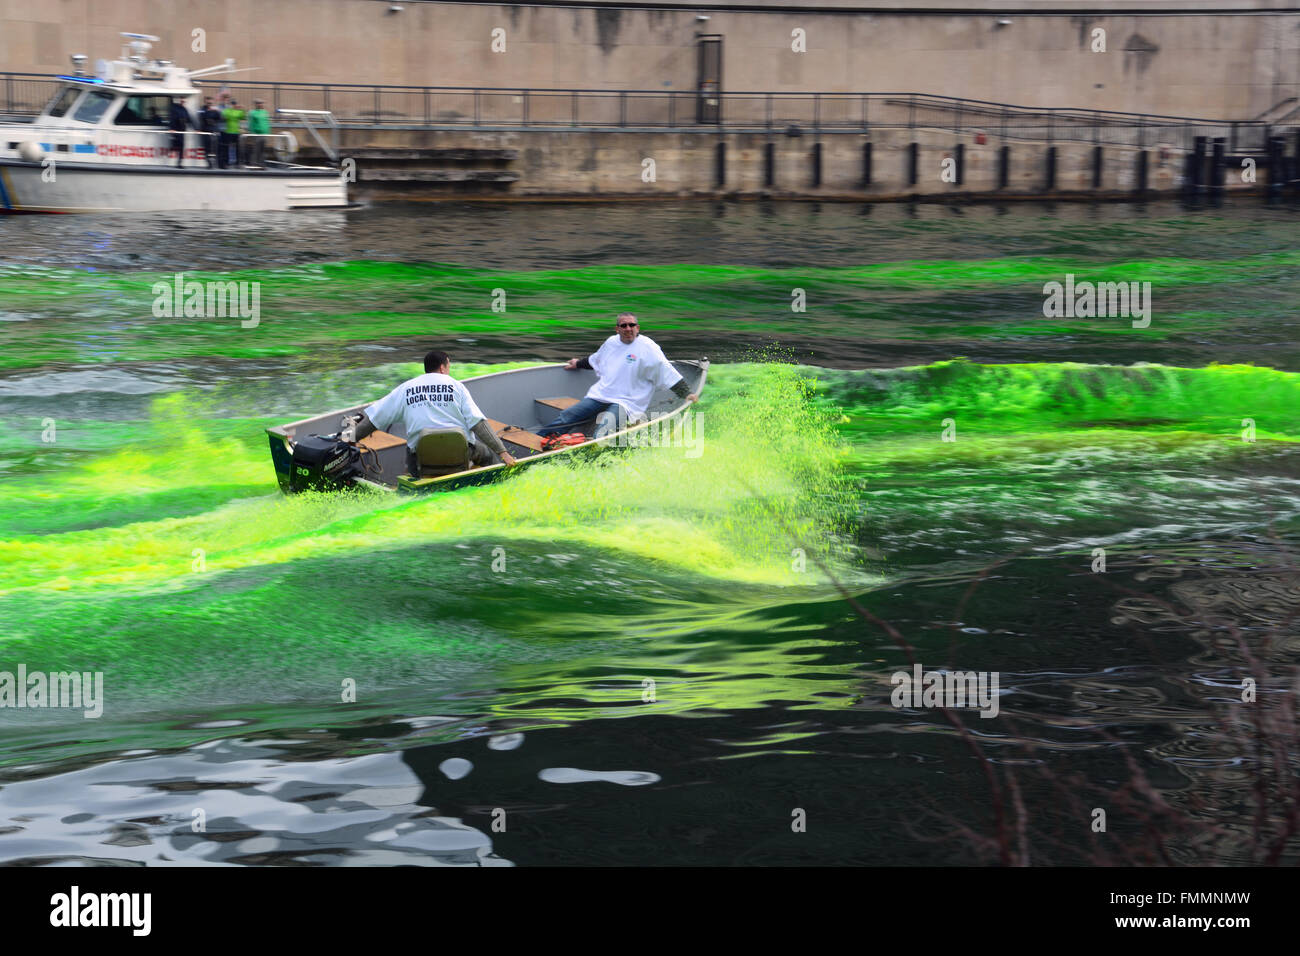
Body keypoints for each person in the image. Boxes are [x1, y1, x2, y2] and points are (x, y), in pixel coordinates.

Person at [351, 350, 517, 474]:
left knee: (410, 458)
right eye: (449, 366)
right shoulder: (456, 386)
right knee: (486, 454)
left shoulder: (406, 388)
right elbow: (478, 424)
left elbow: (373, 421)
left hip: (421, 455)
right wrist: (504, 453)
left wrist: (347, 440)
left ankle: (413, 484)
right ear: (443, 368)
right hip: (460, 452)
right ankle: (493, 482)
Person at [536, 312, 698, 438]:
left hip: (628, 401)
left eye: (632, 325)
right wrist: (578, 364)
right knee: (568, 416)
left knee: (605, 428)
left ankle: (591, 455)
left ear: (638, 328)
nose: (628, 328)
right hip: (604, 393)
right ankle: (538, 442)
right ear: (617, 329)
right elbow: (597, 360)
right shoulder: (611, 342)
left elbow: (665, 371)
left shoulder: (648, 348)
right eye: (624, 325)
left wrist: (687, 393)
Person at [167, 98, 195, 168]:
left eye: (184, 101)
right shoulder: (175, 109)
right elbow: (172, 119)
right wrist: (171, 129)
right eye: (182, 101)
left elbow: (189, 120)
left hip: (182, 131)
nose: (183, 103)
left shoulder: (185, 110)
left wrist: (195, 129)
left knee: (181, 147)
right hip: (176, 130)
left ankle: (179, 163)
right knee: (175, 145)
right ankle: (174, 160)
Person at [199, 96, 223, 168]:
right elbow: (200, 117)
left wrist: (217, 111)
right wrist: (208, 111)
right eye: (208, 102)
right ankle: (209, 163)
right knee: (207, 148)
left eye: (210, 102)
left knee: (216, 148)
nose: (209, 103)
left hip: (214, 131)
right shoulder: (202, 109)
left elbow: (220, 118)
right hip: (206, 131)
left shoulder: (215, 109)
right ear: (205, 102)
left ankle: (217, 163)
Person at [221, 98, 245, 168]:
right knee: (226, 148)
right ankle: (226, 163)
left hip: (236, 132)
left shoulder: (238, 111)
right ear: (230, 104)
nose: (234, 105)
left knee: (238, 148)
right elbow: (225, 116)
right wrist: (233, 111)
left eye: (235, 104)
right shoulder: (226, 110)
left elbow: (243, 117)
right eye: (233, 104)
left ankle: (237, 163)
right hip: (228, 131)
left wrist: (242, 109)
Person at [246, 99, 271, 167]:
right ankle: (254, 163)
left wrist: (268, 132)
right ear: (256, 104)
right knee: (255, 149)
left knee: (262, 149)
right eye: (258, 103)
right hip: (256, 133)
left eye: (261, 103)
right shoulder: (252, 112)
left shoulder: (265, 112)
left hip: (264, 133)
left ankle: (261, 163)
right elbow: (250, 123)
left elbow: (267, 122)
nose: (260, 104)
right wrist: (251, 132)